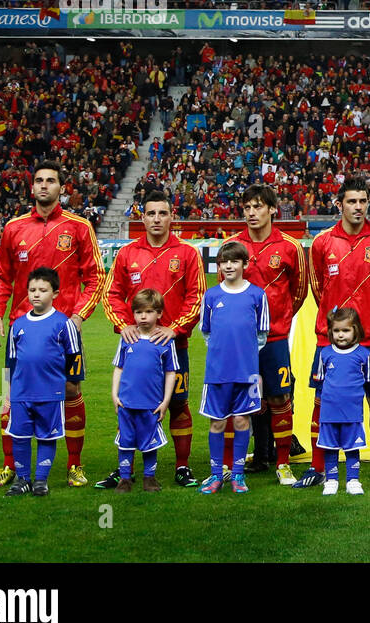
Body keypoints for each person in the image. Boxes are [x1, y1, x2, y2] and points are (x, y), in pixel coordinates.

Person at [0, 160, 105, 489]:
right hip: (21, 329)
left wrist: (79, 315)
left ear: (61, 188)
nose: (43, 186)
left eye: (50, 181)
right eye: (38, 180)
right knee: (12, 394)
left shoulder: (80, 227)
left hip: (63, 328)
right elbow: (2, 276)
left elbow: (96, 277)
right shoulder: (14, 228)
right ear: (32, 186)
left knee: (70, 390)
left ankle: (74, 464)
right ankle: (11, 466)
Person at [95, 190, 205, 489]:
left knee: (178, 404)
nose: (157, 219)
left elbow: (197, 297)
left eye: (163, 213)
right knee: (130, 406)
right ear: (142, 217)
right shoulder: (127, 253)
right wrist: (123, 324)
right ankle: (125, 470)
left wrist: (175, 328)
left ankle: (182, 468)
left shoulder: (187, 253)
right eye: (151, 213)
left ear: (172, 216)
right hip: (135, 348)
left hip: (173, 347)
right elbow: (112, 294)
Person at [299, 179, 370, 488]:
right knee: (322, 398)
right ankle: (318, 468)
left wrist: (368, 320)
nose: (358, 206)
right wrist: (336, 326)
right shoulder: (322, 242)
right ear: (339, 204)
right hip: (328, 339)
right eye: (352, 201)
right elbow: (318, 289)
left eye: (363, 201)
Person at [230, 184, 309, 486]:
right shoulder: (235, 245)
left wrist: (279, 317)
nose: (252, 212)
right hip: (241, 340)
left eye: (258, 206)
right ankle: (238, 461)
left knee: (279, 396)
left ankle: (283, 462)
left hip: (274, 337)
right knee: (243, 398)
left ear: (273, 209)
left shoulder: (289, 247)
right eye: (247, 207)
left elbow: (298, 292)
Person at [2, 267, 83, 497]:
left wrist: (73, 383)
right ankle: (22, 479)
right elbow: (11, 361)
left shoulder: (63, 323)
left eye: (42, 290)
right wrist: (7, 392)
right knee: (19, 436)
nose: (36, 294)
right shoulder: (17, 325)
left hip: (50, 393)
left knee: (48, 436)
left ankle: (40, 480)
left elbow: (74, 356)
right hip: (21, 393)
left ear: (55, 293)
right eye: (32, 290)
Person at [198, 241, 269, 495]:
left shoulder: (257, 295)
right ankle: (217, 475)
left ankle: (238, 475)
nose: (228, 266)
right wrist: (222, 353)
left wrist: (246, 357)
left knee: (241, 421)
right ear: (218, 266)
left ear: (245, 264)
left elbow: (261, 335)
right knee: (217, 422)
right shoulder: (211, 295)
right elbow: (206, 331)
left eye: (234, 261)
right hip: (217, 372)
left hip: (247, 373)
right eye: (224, 262)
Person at [110, 288, 180, 493]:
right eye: (139, 312)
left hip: (151, 403)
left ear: (159, 313)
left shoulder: (165, 342)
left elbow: (170, 373)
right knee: (125, 442)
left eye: (148, 311)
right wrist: (114, 395)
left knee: (150, 443)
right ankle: (124, 479)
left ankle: (149, 478)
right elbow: (118, 368)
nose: (143, 316)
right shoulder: (127, 338)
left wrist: (166, 400)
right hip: (127, 402)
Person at [314, 307, 370, 496]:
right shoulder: (325, 354)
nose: (341, 335)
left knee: (353, 448)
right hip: (329, 413)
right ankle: (331, 481)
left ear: (355, 330)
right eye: (336, 331)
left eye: (346, 330)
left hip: (352, 413)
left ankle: (353, 480)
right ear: (331, 332)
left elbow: (369, 381)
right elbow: (321, 381)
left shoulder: (364, 355)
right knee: (329, 448)